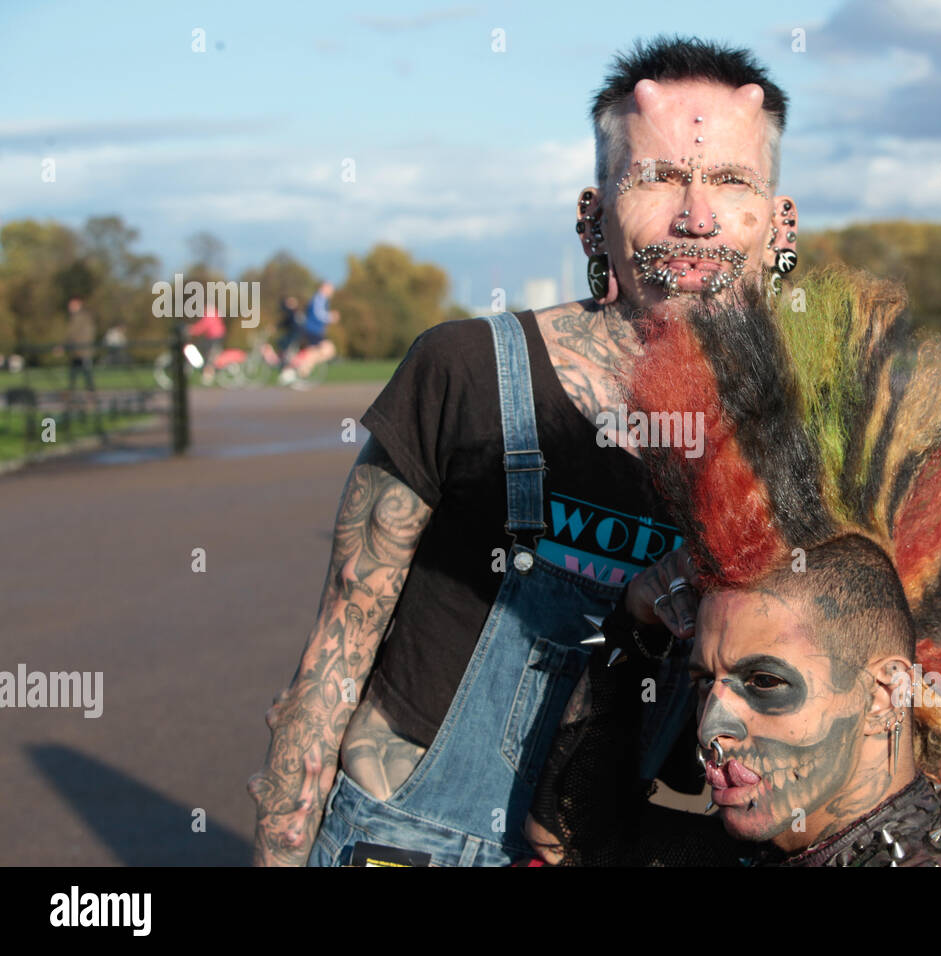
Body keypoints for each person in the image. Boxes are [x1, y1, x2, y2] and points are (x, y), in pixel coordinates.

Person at [248, 35, 808, 866]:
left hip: (605, 843)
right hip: (405, 836)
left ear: (780, 223)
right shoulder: (465, 369)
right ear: (594, 213)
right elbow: (335, 654)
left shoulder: (800, 437)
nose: (696, 217)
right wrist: (281, 847)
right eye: (658, 177)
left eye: (731, 181)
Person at [526, 267, 941, 866]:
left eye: (765, 683)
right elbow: (575, 836)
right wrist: (636, 624)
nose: (713, 728)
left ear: (885, 694)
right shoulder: (796, 839)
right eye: (702, 683)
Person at [278, 283, 335, 383]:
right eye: (330, 289)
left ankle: (295, 369)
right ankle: (297, 368)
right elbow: (318, 314)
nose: (332, 292)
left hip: (313, 331)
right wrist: (330, 317)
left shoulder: (322, 300)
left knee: (314, 353)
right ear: (323, 289)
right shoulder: (319, 299)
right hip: (312, 331)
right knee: (328, 349)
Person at [186, 305, 226, 386]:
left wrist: (191, 330)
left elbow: (203, 326)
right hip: (215, 336)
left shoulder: (209, 315)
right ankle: (208, 373)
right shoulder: (213, 313)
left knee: (210, 355)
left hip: (215, 337)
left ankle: (208, 377)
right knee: (209, 353)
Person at [64, 298, 97, 393]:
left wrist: (80, 345)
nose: (70, 308)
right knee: (74, 371)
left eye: (72, 305)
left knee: (85, 371)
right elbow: (70, 334)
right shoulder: (75, 318)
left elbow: (84, 334)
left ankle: (90, 391)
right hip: (77, 350)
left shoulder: (83, 318)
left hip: (82, 349)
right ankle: (72, 390)